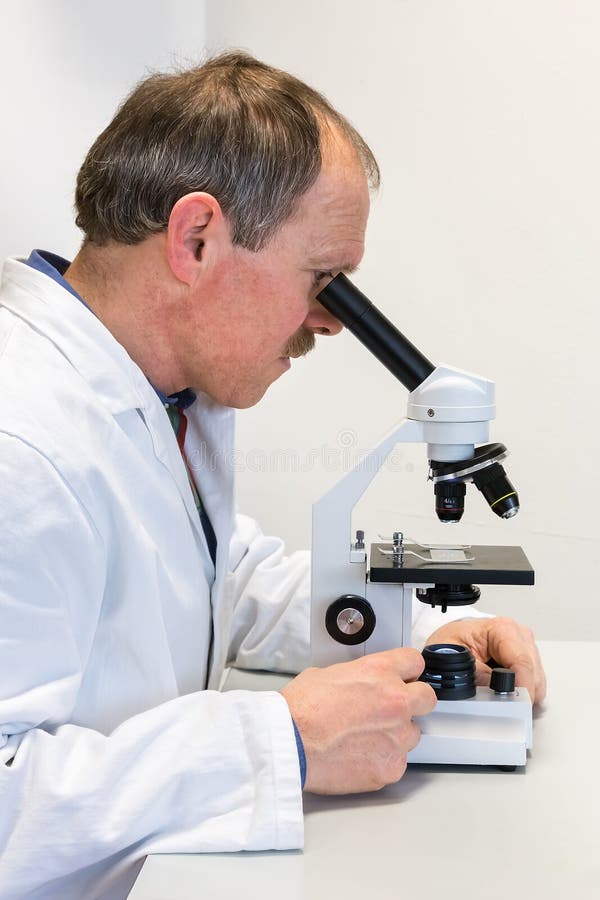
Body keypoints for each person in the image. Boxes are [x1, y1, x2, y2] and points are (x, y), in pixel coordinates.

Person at [0, 51, 546, 899]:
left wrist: (416, 633)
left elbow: (213, 577)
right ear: (197, 238)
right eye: (323, 279)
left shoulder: (160, 395)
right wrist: (283, 743)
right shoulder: (19, 442)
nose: (332, 322)